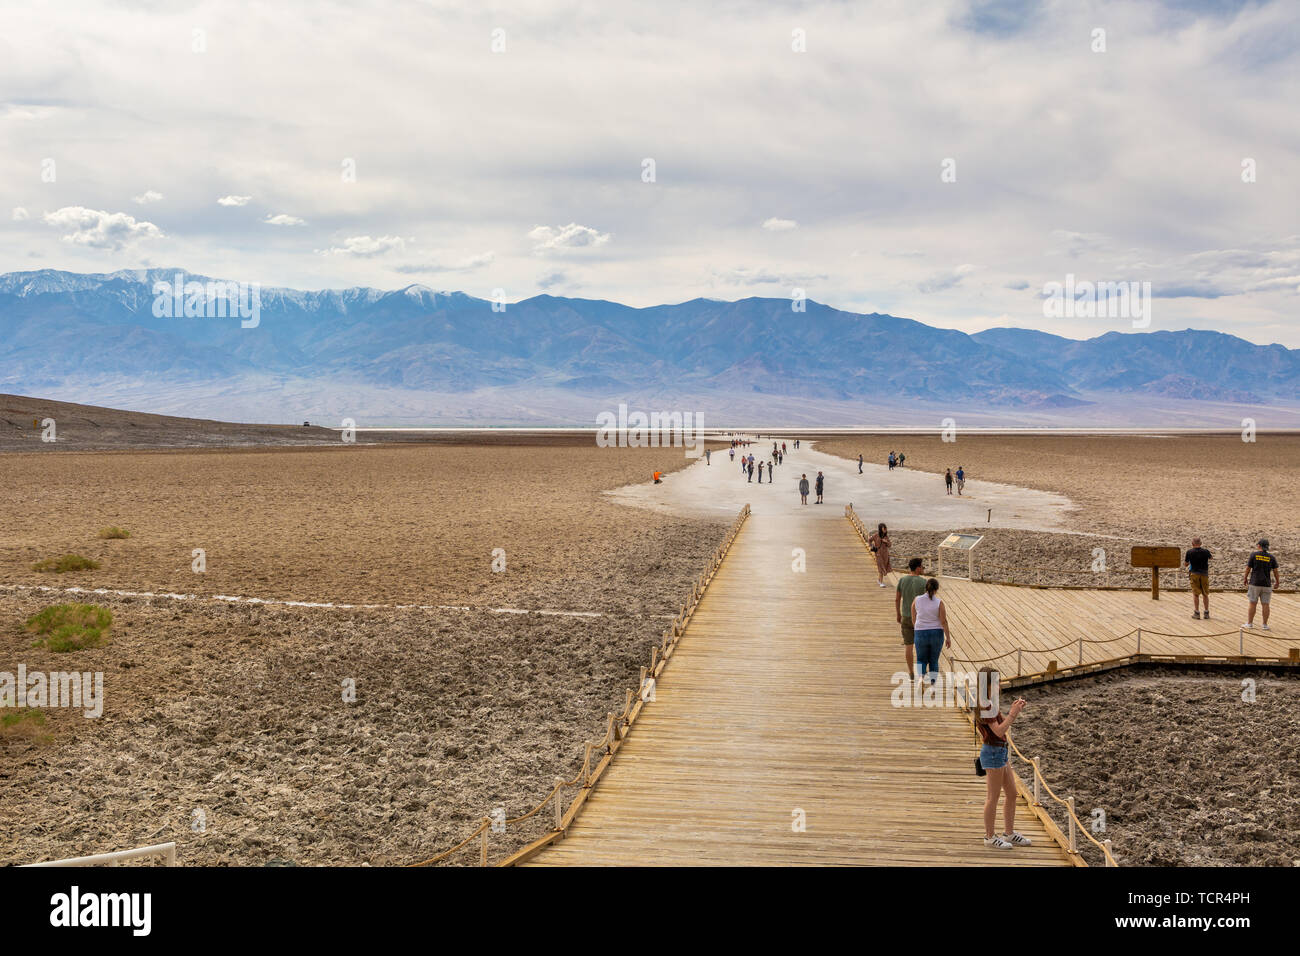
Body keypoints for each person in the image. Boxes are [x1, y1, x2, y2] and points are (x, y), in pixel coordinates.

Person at [973, 667, 1031, 850]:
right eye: (997, 682)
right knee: (993, 797)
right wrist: (1013, 714)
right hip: (992, 752)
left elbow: (997, 726)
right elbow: (998, 731)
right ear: (987, 684)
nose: (1000, 685)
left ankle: (1009, 832)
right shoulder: (985, 704)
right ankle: (989, 836)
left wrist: (1015, 710)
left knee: (1012, 793)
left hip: (1000, 752)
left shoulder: (989, 702)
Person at [910, 577, 950, 686]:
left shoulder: (917, 600)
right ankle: (933, 686)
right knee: (933, 660)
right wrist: (948, 638)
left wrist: (917, 626)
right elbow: (944, 621)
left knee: (921, 659)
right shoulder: (939, 603)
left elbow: (913, 615)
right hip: (936, 633)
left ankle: (921, 679)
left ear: (926, 588)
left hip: (920, 632)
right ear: (936, 589)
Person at [895, 558, 928, 680]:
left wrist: (898, 614)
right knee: (921, 647)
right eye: (922, 566)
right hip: (919, 618)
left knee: (908, 646)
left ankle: (910, 672)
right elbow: (927, 601)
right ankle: (921, 673)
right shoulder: (923, 582)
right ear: (918, 567)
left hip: (906, 616)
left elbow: (897, 599)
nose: (923, 568)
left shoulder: (902, 580)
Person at [1243, 538, 1280, 630]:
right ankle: (1264, 625)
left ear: (1259, 546)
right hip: (1266, 584)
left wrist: (1245, 578)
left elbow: (1248, 568)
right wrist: (1277, 581)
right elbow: (1275, 571)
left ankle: (1250, 623)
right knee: (1265, 604)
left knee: (1252, 603)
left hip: (1255, 583)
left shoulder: (1254, 555)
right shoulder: (1271, 557)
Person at [1183, 537, 1213, 619]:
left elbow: (1186, 564)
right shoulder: (1205, 551)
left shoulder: (1189, 552)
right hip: (1204, 573)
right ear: (1201, 543)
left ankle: (1197, 612)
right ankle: (1206, 612)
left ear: (1192, 544)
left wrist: (1190, 562)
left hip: (1194, 573)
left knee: (1196, 594)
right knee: (1205, 594)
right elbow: (1211, 558)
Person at [871, 522, 891, 587]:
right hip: (878, 554)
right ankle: (881, 583)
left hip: (885, 554)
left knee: (883, 567)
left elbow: (890, 545)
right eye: (883, 528)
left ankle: (879, 580)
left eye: (885, 528)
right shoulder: (876, 535)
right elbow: (869, 540)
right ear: (880, 529)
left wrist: (886, 542)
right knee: (881, 567)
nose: (885, 529)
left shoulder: (886, 536)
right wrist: (872, 546)